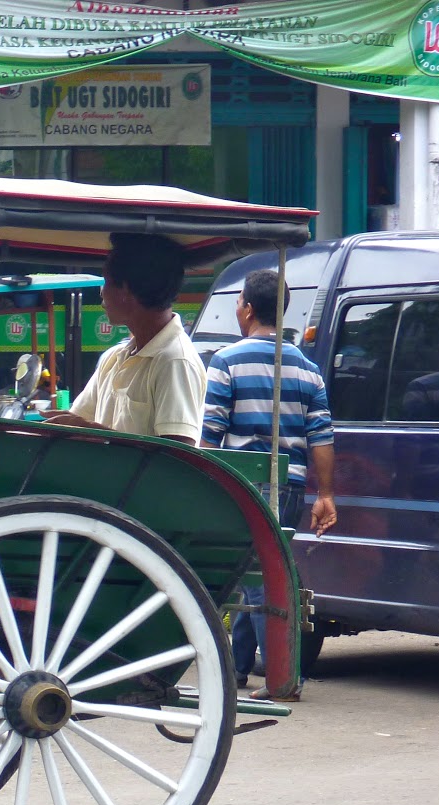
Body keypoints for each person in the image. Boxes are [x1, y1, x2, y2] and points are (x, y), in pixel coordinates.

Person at [201, 267, 338, 699]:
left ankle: (284, 677)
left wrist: (203, 484)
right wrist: (326, 495)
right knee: (257, 569)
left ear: (246, 308)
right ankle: (238, 667)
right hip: (292, 486)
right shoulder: (309, 370)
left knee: (257, 577)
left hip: (245, 486)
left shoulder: (226, 362)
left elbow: (210, 436)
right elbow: (322, 437)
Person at [45, 233, 205, 444]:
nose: (102, 292)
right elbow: (77, 422)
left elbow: (179, 453)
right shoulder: (114, 357)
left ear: (125, 290)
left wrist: (95, 433)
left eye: (106, 282)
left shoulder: (175, 361)